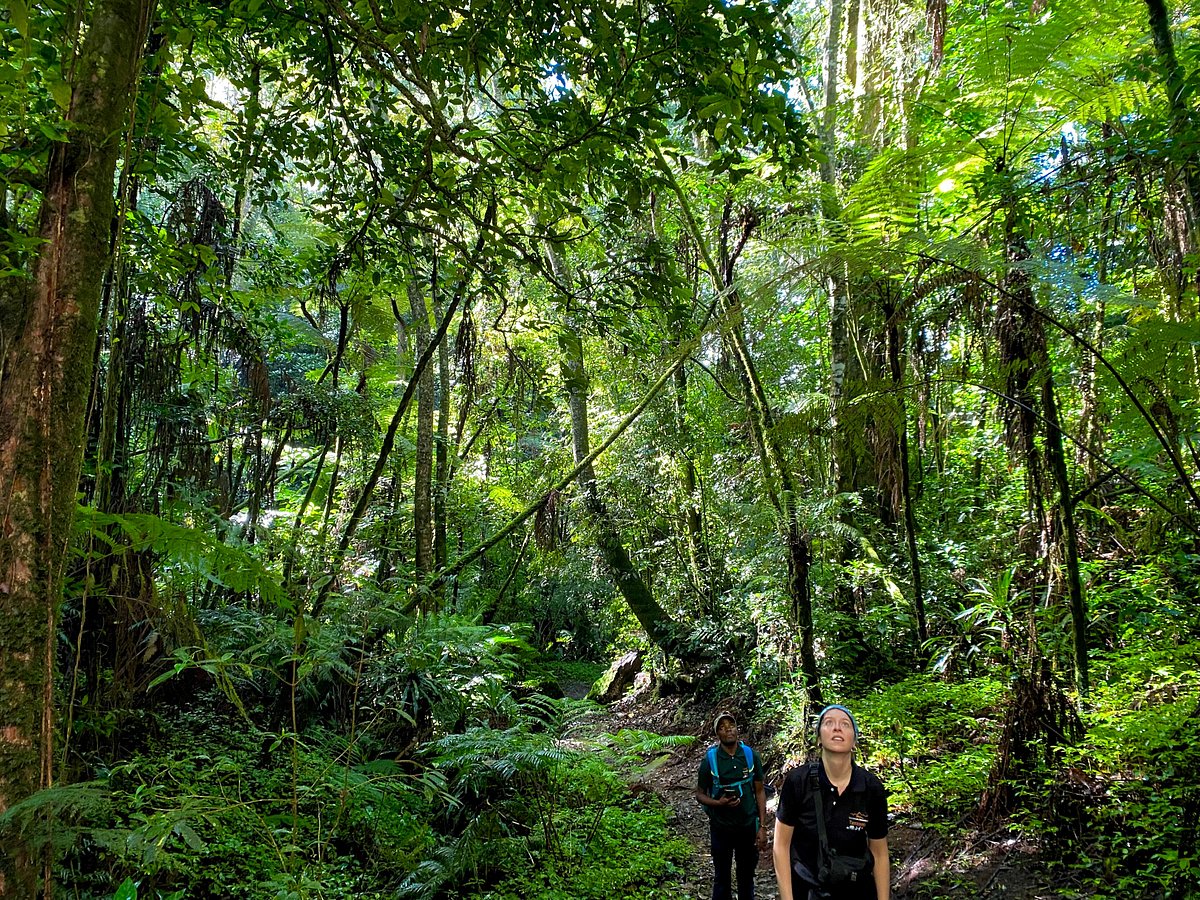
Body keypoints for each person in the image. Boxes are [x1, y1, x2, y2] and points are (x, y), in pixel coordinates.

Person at [772, 704, 890, 900]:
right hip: (808, 891)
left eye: (845, 724)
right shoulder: (798, 782)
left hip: (856, 890)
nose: (837, 728)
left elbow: (879, 852)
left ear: (854, 742)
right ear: (819, 738)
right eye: (829, 723)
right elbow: (781, 845)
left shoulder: (871, 787)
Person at [696, 711, 769, 900]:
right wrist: (718, 803)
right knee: (722, 878)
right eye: (722, 727)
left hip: (747, 827)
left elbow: (760, 791)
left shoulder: (750, 756)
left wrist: (762, 827)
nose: (728, 730)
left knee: (746, 877)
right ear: (717, 734)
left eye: (731, 726)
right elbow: (699, 794)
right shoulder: (710, 760)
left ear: (737, 730)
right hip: (721, 828)